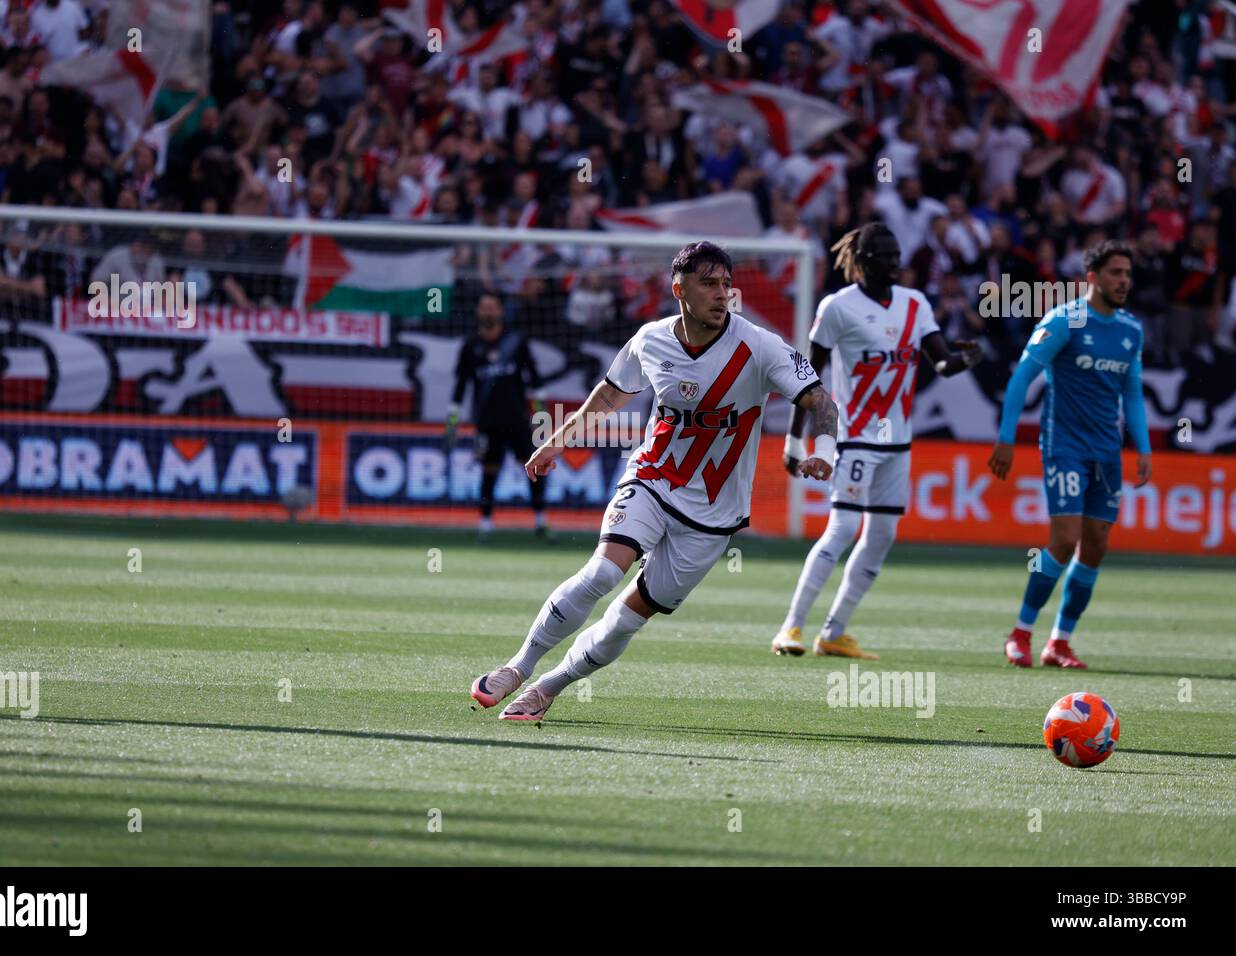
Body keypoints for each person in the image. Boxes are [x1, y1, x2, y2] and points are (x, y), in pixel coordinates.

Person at [469, 241, 839, 722]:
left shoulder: (760, 346)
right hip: (652, 478)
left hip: (713, 512)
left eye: (727, 284)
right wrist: (558, 441)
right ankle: (518, 666)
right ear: (678, 289)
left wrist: (824, 451)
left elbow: (820, 402)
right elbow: (608, 395)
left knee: (625, 620)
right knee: (603, 572)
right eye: (709, 283)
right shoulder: (651, 339)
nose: (722, 293)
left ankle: (549, 687)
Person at [772, 223, 982, 660]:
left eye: (898, 254)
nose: (896, 262)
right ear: (864, 261)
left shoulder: (915, 304)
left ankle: (834, 632)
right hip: (852, 436)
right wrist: (796, 442)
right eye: (887, 256)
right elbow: (805, 379)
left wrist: (964, 359)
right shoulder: (837, 307)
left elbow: (939, 363)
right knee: (844, 527)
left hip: (898, 442)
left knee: (882, 535)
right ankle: (790, 627)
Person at [989, 240, 1150, 669]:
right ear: (1092, 277)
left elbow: (1132, 393)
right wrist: (1006, 438)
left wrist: (1144, 447)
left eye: (1128, 274)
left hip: (1107, 453)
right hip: (1064, 446)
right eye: (1116, 273)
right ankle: (1020, 632)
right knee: (1064, 539)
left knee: (1095, 545)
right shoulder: (1065, 319)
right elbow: (1023, 377)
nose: (1124, 281)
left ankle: (1059, 642)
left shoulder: (1131, 330)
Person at [449, 292, 550, 541]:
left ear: (500, 311)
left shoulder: (516, 342)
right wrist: (452, 419)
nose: (488, 312)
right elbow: (461, 385)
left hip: (517, 418)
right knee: (488, 472)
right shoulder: (470, 346)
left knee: (534, 467)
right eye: (484, 307)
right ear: (478, 312)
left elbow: (534, 378)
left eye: (492, 307)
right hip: (486, 421)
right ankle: (485, 525)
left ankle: (540, 522)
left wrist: (542, 413)